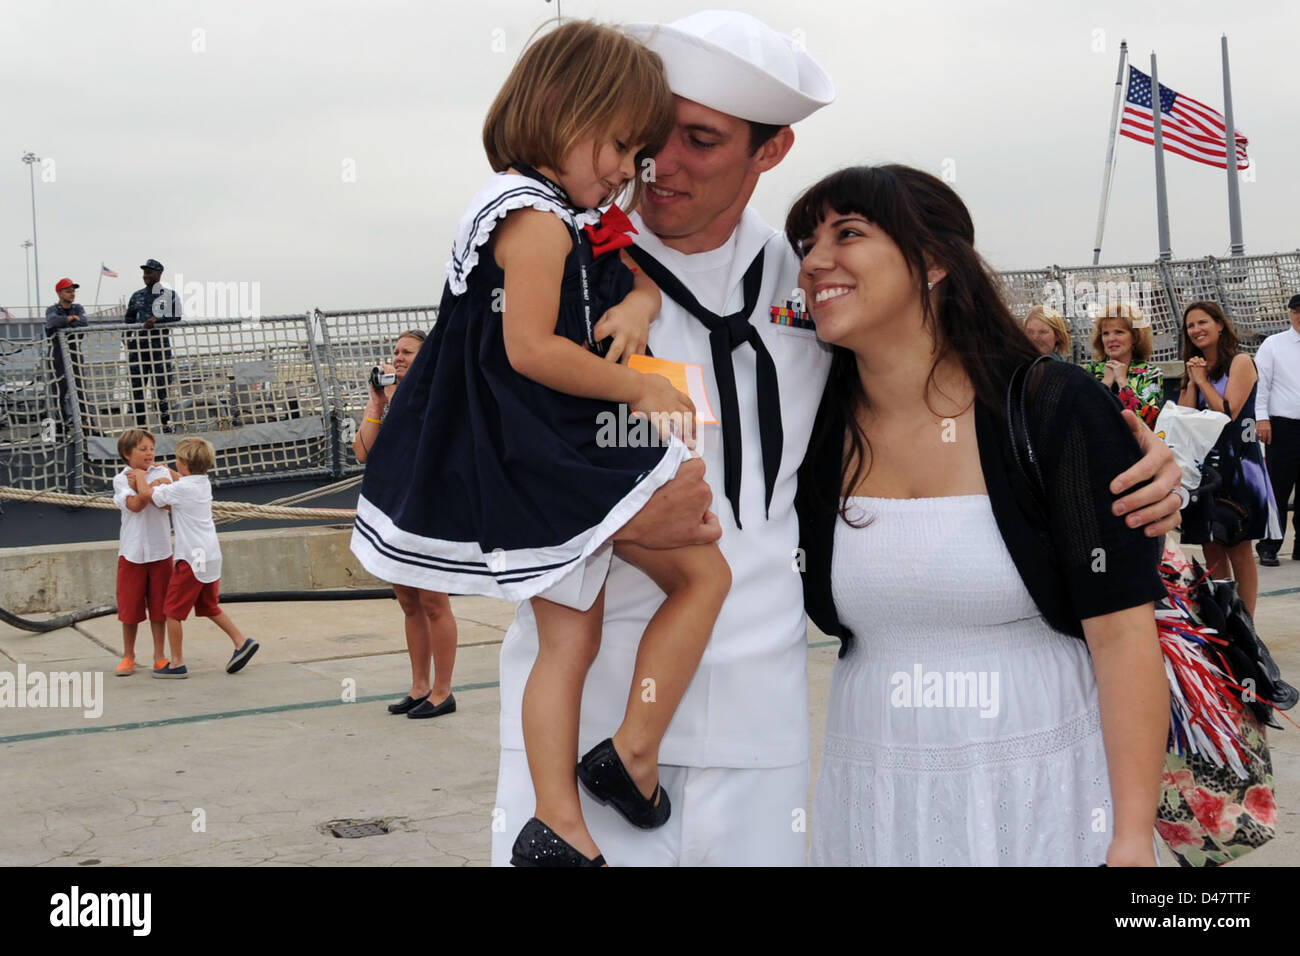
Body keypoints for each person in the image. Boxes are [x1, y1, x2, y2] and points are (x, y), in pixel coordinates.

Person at [487, 10, 1185, 867]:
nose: (658, 166)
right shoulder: (562, 266)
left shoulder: (812, 287)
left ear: (770, 152)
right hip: (581, 711)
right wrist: (618, 520)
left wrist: (1140, 453)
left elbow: (947, 390)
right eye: (647, 136)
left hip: (759, 717)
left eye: (700, 141)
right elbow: (465, 447)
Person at [351, 20, 731, 867]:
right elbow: (530, 348)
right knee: (703, 573)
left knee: (572, 640)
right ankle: (624, 759)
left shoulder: (551, 211)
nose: (626, 169)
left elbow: (622, 268)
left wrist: (635, 304)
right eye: (619, 143)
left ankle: (563, 817)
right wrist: (640, 383)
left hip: (532, 452)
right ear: (564, 110)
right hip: (550, 451)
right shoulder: (537, 221)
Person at [790, 164, 1169, 866]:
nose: (815, 262)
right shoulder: (805, 418)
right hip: (875, 792)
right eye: (806, 244)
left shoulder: (1050, 405)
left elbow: (1123, 639)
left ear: (933, 261)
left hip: (1041, 790)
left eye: (847, 234)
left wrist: (1129, 839)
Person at [352, 330, 460, 720]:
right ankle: (419, 686)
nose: (397, 358)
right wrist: (376, 402)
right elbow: (363, 451)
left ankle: (443, 690)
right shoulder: (391, 400)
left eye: (408, 352)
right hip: (393, 509)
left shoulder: (434, 394)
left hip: (427, 508)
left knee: (434, 601)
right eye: (395, 352)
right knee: (409, 601)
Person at [1177, 300, 1280, 616]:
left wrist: (1203, 380)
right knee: (1211, 547)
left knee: (1239, 548)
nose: (1197, 330)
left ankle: (1246, 622)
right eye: (1191, 326)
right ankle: (1224, 617)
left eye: (1203, 322)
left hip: (1238, 466)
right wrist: (1193, 380)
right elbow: (1184, 415)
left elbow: (1226, 413)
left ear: (1220, 325)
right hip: (1205, 470)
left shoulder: (1241, 362)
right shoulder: (1194, 367)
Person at [135, 437, 260, 678]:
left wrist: (140, 473)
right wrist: (165, 473)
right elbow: (178, 484)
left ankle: (177, 663)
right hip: (210, 554)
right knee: (208, 605)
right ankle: (240, 641)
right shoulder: (202, 483)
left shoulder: (181, 488)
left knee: (171, 611)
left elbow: (148, 494)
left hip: (192, 557)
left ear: (183, 463)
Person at [110, 428, 173, 676]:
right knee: (130, 607)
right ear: (127, 453)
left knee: (160, 607)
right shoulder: (121, 479)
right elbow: (135, 505)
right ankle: (129, 655)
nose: (149, 453)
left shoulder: (163, 472)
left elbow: (168, 502)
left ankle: (160, 655)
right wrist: (149, 486)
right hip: (132, 551)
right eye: (142, 449)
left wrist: (148, 484)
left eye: (151, 448)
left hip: (160, 551)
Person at [1254, 293, 1300, 566]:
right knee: (1278, 490)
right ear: (1290, 314)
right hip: (1283, 426)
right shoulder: (1273, 345)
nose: (1299, 315)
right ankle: (1269, 545)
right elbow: (1262, 384)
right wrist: (1262, 418)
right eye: (1295, 311)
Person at [124, 258, 183, 431]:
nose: (145, 276)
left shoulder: (169, 295)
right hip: (138, 349)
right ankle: (141, 428)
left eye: (149, 272)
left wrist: (158, 320)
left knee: (162, 389)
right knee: (137, 389)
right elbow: (128, 319)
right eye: (144, 272)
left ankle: (166, 425)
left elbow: (177, 315)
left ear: (159, 274)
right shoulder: (137, 296)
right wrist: (126, 339)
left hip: (159, 349)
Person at [1083, 302, 1164, 427]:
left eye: (1119, 332)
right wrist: (1105, 385)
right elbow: (1082, 419)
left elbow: (1149, 423)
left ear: (1135, 337)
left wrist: (1123, 382)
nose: (1111, 339)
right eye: (1106, 333)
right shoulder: (1087, 372)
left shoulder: (1150, 373)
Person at [45, 278, 87, 421]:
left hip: (75, 353)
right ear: (59, 293)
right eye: (68, 291)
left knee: (81, 390)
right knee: (59, 392)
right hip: (58, 356)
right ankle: (61, 425)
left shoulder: (78, 308)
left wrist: (66, 322)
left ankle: (86, 423)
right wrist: (71, 319)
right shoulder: (52, 310)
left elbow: (83, 323)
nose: (72, 294)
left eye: (73, 291)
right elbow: (52, 321)